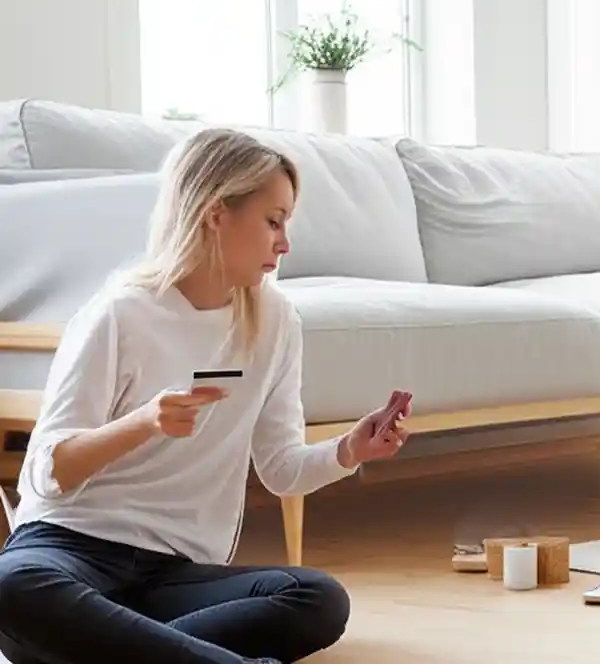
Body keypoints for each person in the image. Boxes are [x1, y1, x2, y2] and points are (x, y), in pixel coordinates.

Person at [0, 129, 410, 664]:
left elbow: (281, 469)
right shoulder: (120, 313)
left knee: (316, 598)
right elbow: (46, 473)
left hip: (174, 574)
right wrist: (144, 422)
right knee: (11, 585)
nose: (284, 244)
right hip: (68, 549)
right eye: (273, 220)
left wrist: (349, 451)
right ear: (217, 213)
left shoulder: (276, 321)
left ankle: (97, 645)